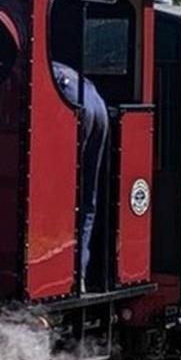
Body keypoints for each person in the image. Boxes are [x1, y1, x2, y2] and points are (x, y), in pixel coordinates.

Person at [52, 61, 109, 293]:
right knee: (87, 198)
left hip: (70, 95)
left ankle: (61, 274)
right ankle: (80, 275)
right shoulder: (58, 65)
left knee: (62, 195)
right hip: (95, 100)